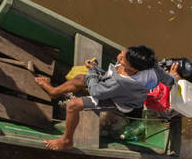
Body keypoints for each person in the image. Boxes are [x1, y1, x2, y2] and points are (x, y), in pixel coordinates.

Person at [34, 46, 179, 151]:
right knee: (79, 78)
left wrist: (91, 71)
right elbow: (168, 80)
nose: (121, 54)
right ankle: (53, 92)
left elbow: (97, 92)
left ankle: (67, 140)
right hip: (114, 86)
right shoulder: (151, 64)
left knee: (73, 105)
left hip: (118, 101)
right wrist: (173, 77)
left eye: (123, 58)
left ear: (134, 69)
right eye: (125, 51)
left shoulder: (120, 82)